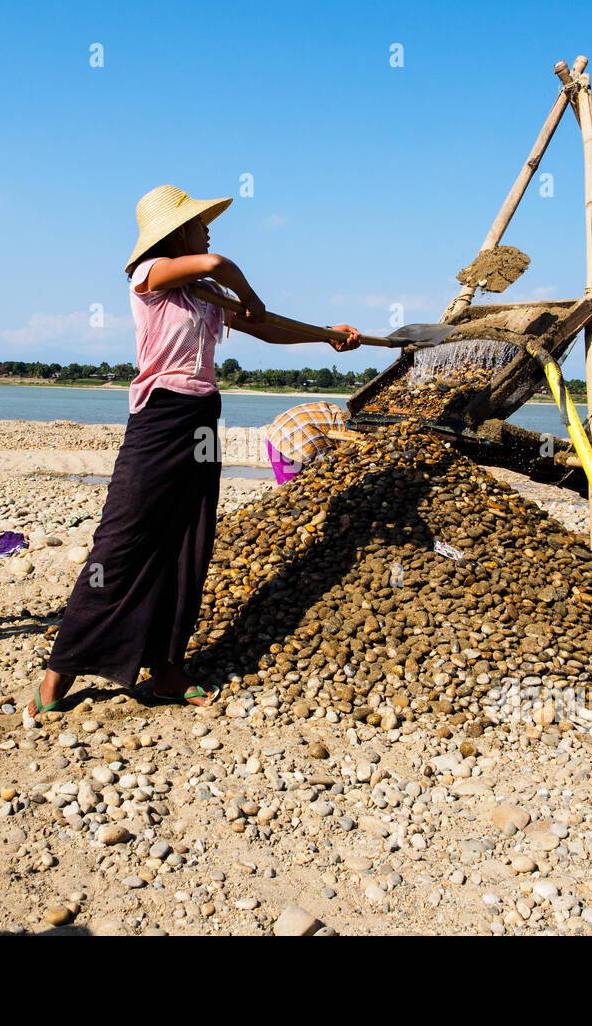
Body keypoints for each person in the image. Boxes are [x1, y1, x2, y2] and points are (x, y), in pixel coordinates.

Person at [27, 185, 362, 724]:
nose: (208, 226)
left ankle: (166, 669)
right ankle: (61, 667)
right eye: (199, 220)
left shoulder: (204, 291)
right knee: (123, 535)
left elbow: (264, 324)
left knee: (190, 540)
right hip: (158, 417)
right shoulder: (149, 275)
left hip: (202, 417)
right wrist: (247, 293)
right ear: (174, 233)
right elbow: (220, 261)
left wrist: (328, 336)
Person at [264, 400, 361, 484]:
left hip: (274, 436)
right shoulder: (350, 435)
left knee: (287, 484)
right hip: (298, 437)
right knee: (294, 485)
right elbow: (324, 463)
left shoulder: (337, 414)